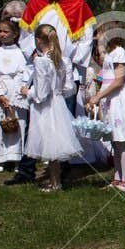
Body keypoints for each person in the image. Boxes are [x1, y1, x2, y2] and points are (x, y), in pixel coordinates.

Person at [22, 23, 81, 192]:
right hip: (59, 104)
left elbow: (41, 94)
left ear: (38, 40)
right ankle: (56, 181)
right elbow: (70, 88)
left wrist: (27, 91)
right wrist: (58, 91)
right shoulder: (63, 60)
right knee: (54, 145)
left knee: (49, 143)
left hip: (46, 107)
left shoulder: (41, 61)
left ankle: (56, 182)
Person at [87, 33, 125, 191]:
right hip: (111, 97)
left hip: (120, 97)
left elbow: (119, 81)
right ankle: (118, 178)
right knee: (115, 141)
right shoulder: (110, 53)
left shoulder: (119, 51)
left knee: (121, 141)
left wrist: (98, 96)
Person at [0, 16, 34, 183]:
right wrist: (0, 95)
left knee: (18, 123)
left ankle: (18, 157)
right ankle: (2, 158)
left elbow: (26, 74)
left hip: (16, 91)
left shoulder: (22, 54)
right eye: (0, 31)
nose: (2, 34)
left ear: (15, 33)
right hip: (0, 91)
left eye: (6, 31)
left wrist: (16, 92)